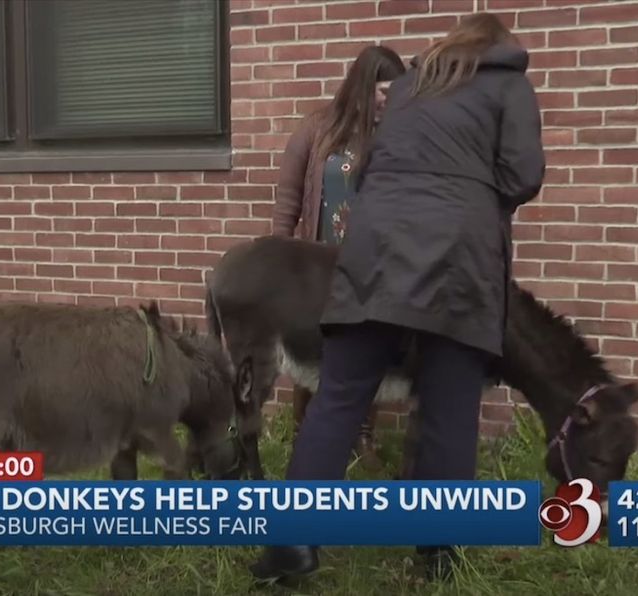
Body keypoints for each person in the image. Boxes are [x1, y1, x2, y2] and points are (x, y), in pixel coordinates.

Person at [249, 12, 546, 585]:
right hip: (462, 264)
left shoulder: (410, 88)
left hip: (375, 252)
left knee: (338, 397)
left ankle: (291, 543)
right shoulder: (509, 85)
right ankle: (437, 554)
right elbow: (523, 177)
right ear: (501, 48)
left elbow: (365, 177)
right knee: (449, 408)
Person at [271, 44, 406, 469]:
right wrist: (279, 254)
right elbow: (289, 195)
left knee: (367, 348)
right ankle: (305, 433)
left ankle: (361, 436)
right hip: (316, 265)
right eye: (382, 91)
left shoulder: (400, 133)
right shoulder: (318, 127)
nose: (388, 100)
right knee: (311, 346)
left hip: (370, 267)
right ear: (362, 88)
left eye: (396, 92)